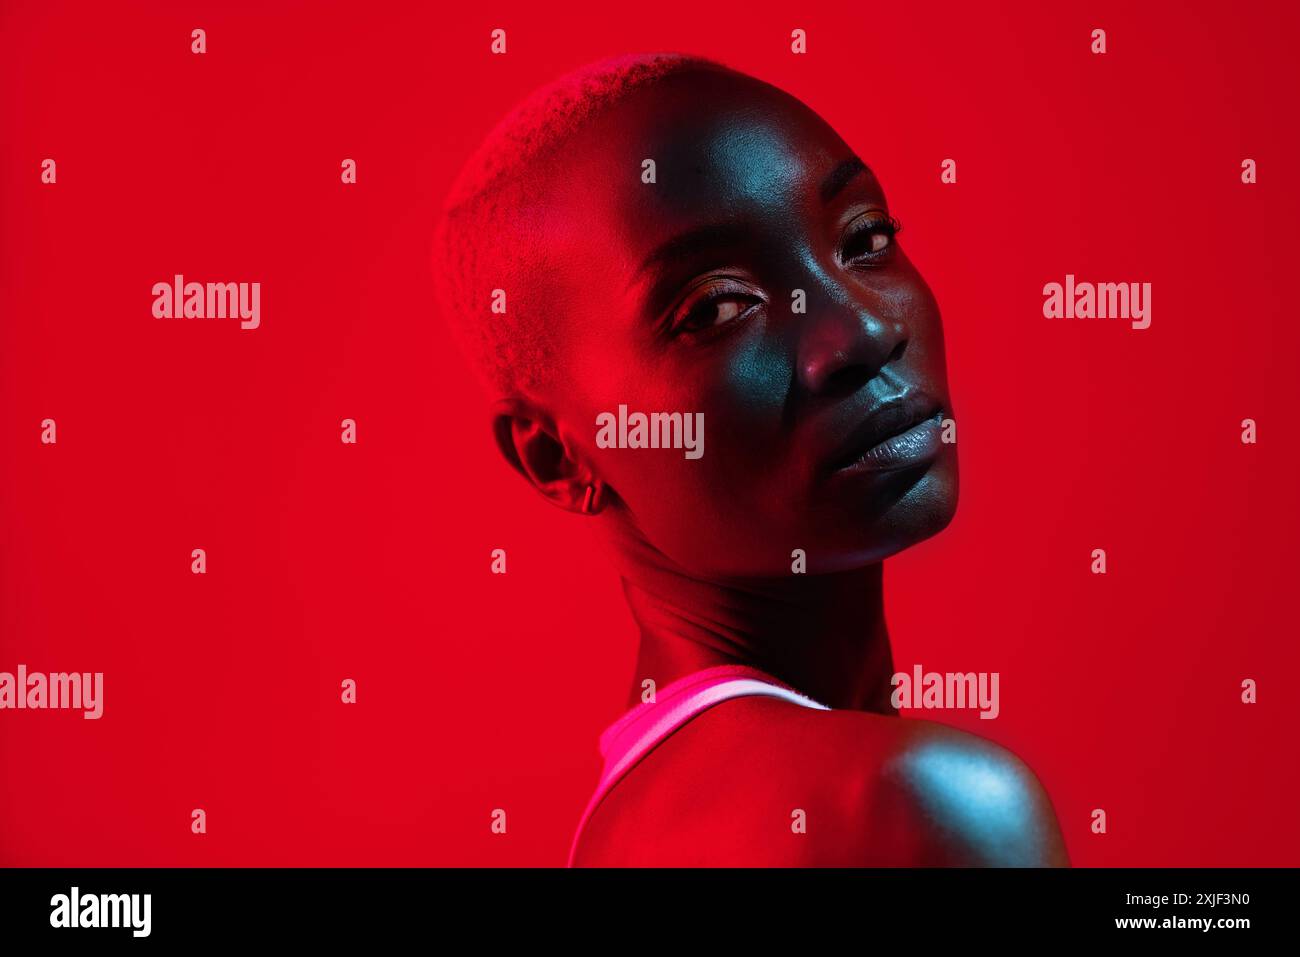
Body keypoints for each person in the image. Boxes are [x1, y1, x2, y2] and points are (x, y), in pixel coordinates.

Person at [433, 52, 1069, 866]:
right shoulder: (907, 803)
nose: (864, 332)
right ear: (557, 457)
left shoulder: (637, 824)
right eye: (718, 307)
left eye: (865, 238)